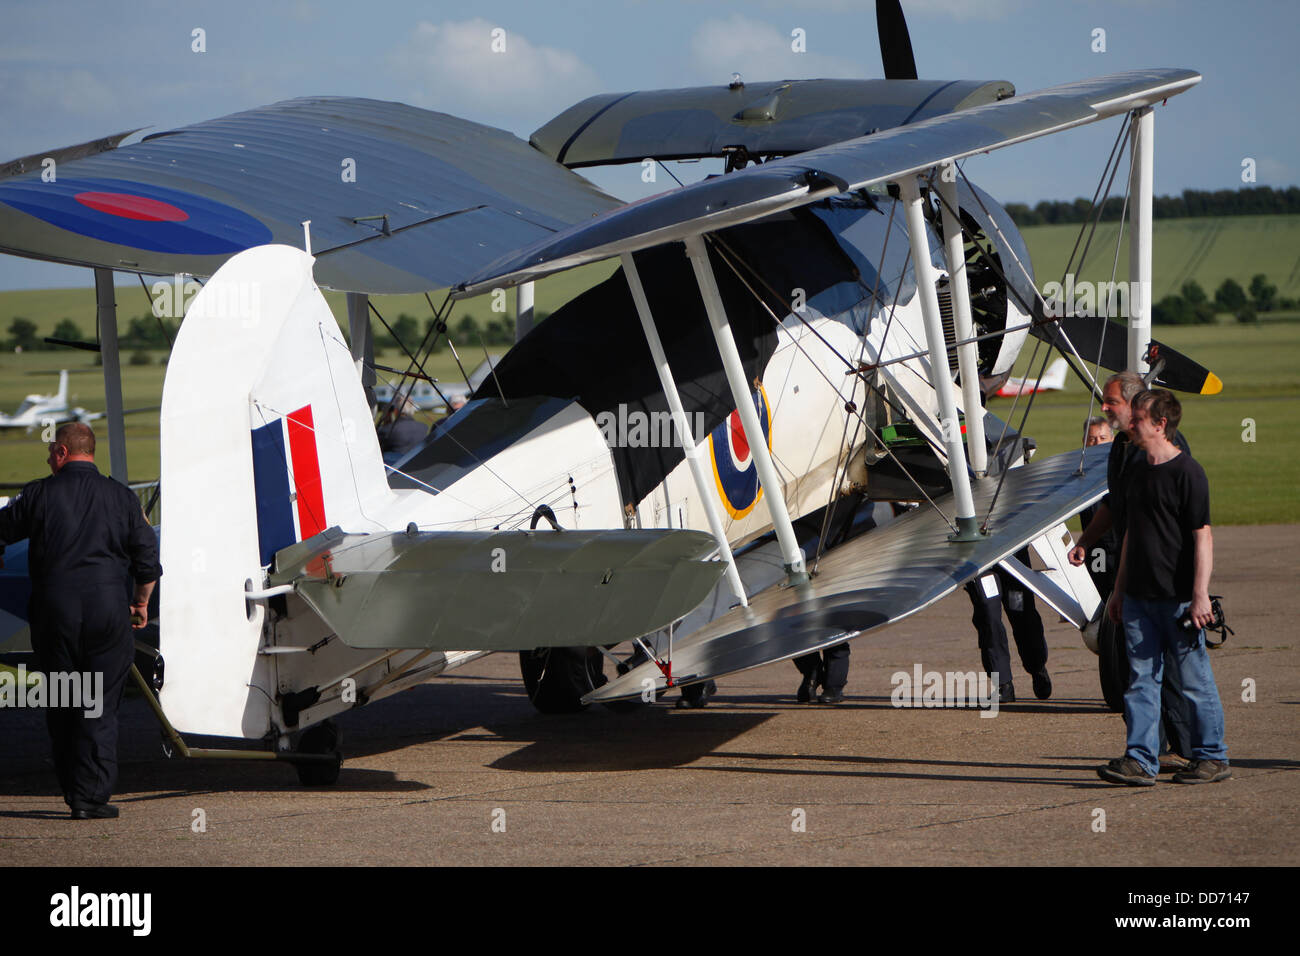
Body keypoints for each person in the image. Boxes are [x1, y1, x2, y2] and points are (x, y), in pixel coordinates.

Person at [0, 423, 161, 819]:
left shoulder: (37, 494)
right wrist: (140, 604)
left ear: (59, 452)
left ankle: (74, 790)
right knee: (99, 705)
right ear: (91, 452)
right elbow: (147, 560)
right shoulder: (122, 498)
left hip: (55, 613)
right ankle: (91, 798)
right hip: (108, 612)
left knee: (64, 700)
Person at [1096, 390, 1229, 785]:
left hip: (1179, 600)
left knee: (1193, 680)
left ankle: (1212, 756)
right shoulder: (1135, 472)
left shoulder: (1189, 473)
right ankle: (1140, 759)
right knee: (1139, 681)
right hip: (1137, 596)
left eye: (1139, 419)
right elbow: (1132, 535)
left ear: (1160, 424)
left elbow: (1202, 537)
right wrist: (1119, 592)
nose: (1131, 424)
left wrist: (1200, 594)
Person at [1069, 371, 1194, 764]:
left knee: (1177, 669)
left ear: (1137, 403)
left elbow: (1189, 522)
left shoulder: (1164, 449)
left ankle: (1193, 751)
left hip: (1164, 574)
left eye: (1111, 402)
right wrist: (1087, 541)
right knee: (1137, 670)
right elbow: (1114, 504)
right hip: (1132, 571)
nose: (1103, 408)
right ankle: (1147, 754)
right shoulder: (1121, 447)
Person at [964, 551, 1050, 702]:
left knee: (1022, 615)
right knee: (988, 615)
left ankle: (1036, 666)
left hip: (1013, 557)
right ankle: (1004, 684)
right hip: (980, 559)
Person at [377, 393, 428, 463]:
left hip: (393, 468)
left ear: (395, 411)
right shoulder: (424, 428)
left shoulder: (387, 430)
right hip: (415, 468)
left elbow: (378, 449)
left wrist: (386, 420)